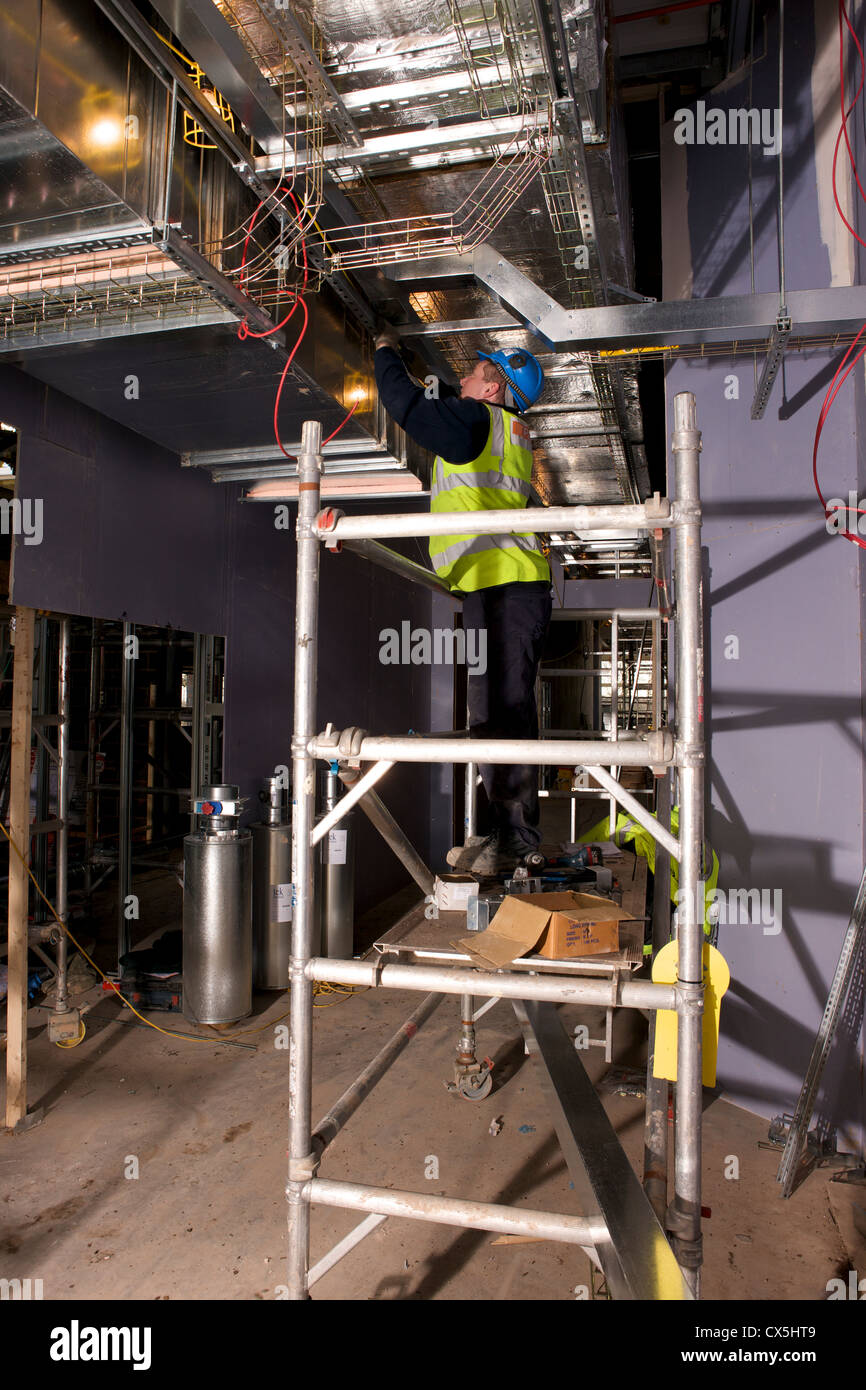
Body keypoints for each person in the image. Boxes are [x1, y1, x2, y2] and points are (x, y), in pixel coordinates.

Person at [374, 330, 552, 874]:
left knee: (502, 711)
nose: (464, 379)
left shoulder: (476, 423)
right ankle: (501, 828)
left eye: (476, 372)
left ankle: (515, 835)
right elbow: (447, 396)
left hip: (505, 588)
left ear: (493, 386)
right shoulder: (497, 426)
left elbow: (409, 405)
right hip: (498, 587)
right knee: (496, 710)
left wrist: (383, 353)